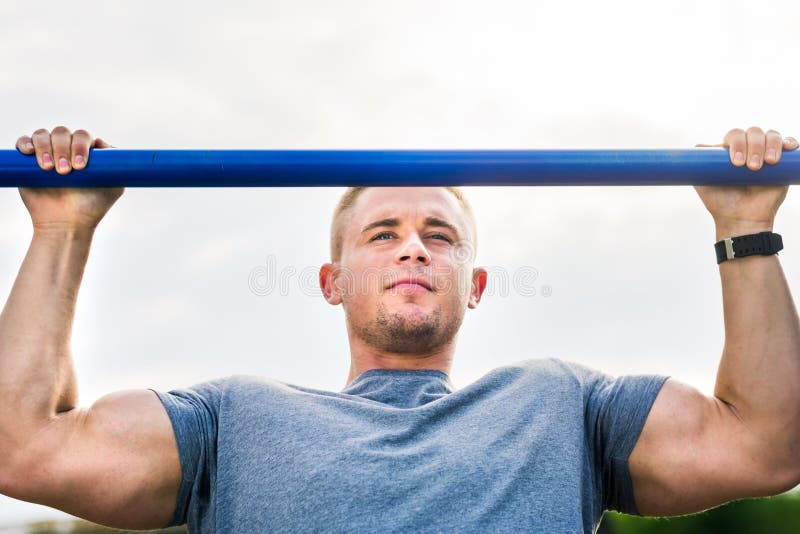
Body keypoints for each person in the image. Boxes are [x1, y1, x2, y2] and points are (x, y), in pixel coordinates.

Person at [0, 126, 798, 533]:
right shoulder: (230, 422)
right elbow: (23, 447)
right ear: (332, 282)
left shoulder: (563, 406)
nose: (414, 244)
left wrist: (745, 225)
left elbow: (766, 446)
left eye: (439, 236)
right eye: (382, 233)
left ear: (475, 286)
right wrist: (62, 232)